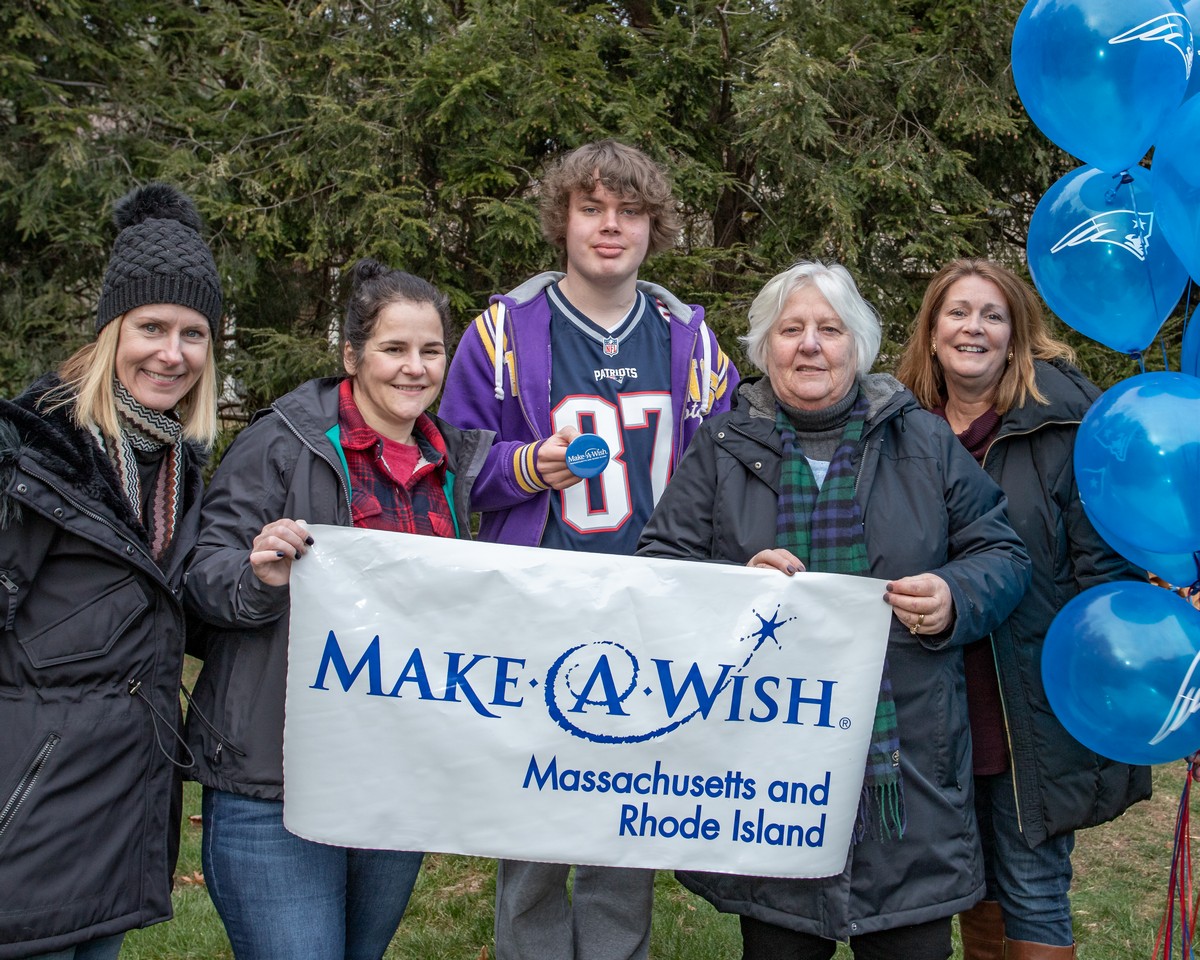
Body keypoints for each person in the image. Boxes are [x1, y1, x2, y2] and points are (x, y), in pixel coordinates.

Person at [637, 260, 1031, 960]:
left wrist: (952, 597)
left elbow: (1000, 554)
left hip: (907, 770)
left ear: (859, 346)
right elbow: (660, 569)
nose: (811, 345)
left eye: (830, 328)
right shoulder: (722, 449)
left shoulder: (923, 441)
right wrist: (737, 585)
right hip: (768, 776)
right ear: (765, 348)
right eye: (792, 329)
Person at [438, 139, 738, 960]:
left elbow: (733, 470)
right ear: (562, 221)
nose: (611, 227)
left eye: (630, 212)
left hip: (650, 609)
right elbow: (451, 463)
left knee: (624, 811)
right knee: (533, 816)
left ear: (654, 227)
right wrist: (523, 466)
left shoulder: (692, 342)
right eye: (593, 208)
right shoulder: (502, 332)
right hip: (536, 602)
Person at [182, 258, 493, 960]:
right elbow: (200, 578)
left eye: (431, 350)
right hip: (276, 776)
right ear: (351, 355)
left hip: (395, 778)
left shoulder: (449, 467)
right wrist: (258, 575)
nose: (414, 368)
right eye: (393, 348)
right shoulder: (284, 442)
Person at [895, 258, 1151, 960]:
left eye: (992, 315)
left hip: (1032, 699)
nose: (972, 327)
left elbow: (1104, 568)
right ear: (932, 329)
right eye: (957, 312)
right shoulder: (897, 427)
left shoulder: (1067, 427)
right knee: (970, 881)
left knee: (1033, 883)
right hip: (932, 699)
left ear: (1016, 335)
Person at [0, 183, 222, 959]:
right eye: (151, 327)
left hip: (120, 816)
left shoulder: (179, 467)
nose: (173, 352)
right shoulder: (30, 456)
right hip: (28, 815)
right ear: (108, 333)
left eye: (194, 333)